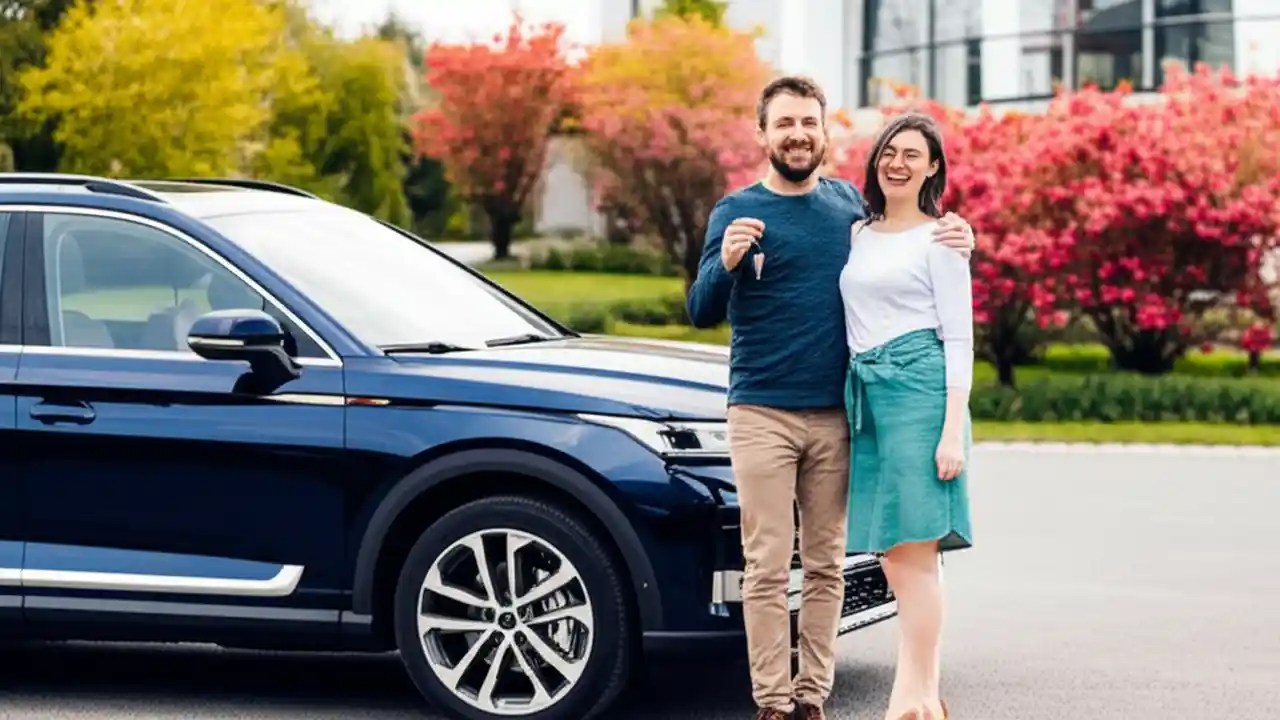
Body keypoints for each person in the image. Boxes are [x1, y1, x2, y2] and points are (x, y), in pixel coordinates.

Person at [686, 76, 974, 720]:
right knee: (764, 564)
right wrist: (724, 264)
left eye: (809, 123)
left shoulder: (849, 210)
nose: (797, 134)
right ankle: (772, 699)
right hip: (759, 409)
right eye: (784, 123)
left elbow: (909, 239)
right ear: (763, 134)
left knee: (826, 565)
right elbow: (700, 309)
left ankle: (813, 695)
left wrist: (961, 236)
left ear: (824, 133)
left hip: (839, 413)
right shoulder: (734, 211)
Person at [838, 112, 974, 720]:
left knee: (909, 552)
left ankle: (908, 700)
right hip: (870, 397)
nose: (897, 162)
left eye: (912, 154)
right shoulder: (860, 234)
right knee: (904, 555)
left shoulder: (942, 238)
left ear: (933, 167)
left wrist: (951, 431)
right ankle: (924, 700)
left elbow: (961, 339)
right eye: (889, 151)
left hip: (920, 394)